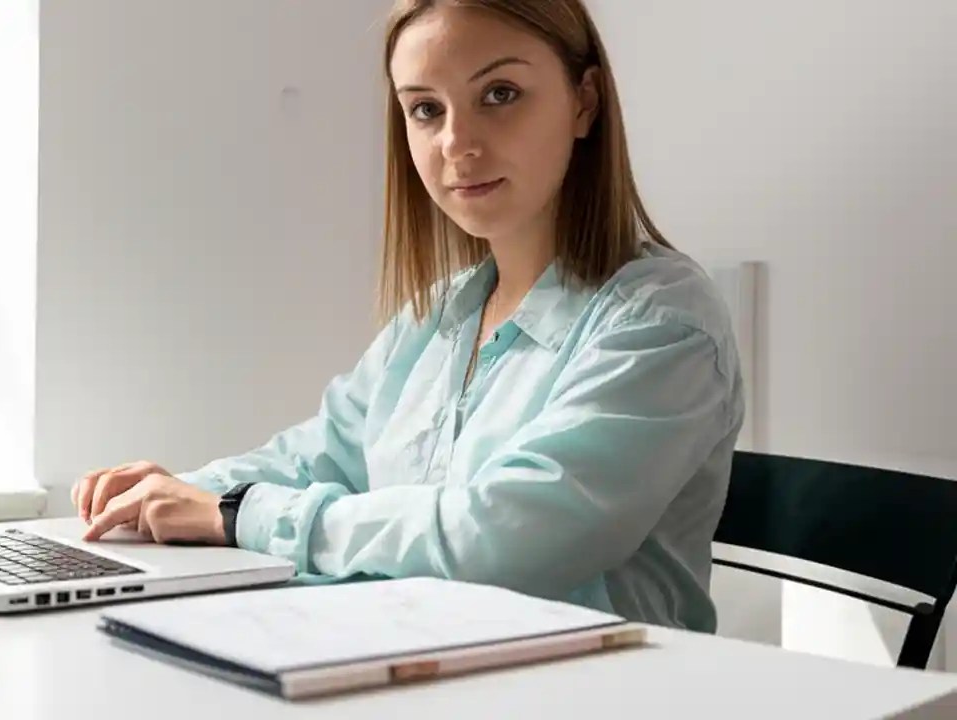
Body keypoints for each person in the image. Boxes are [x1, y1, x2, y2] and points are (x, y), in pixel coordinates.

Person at [69, 0, 744, 633]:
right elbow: (319, 455)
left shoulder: (661, 321)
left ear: (584, 101)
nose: (457, 142)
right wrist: (175, 491)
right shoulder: (442, 316)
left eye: (499, 95)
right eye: (425, 109)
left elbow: (501, 538)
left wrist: (236, 513)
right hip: (412, 664)